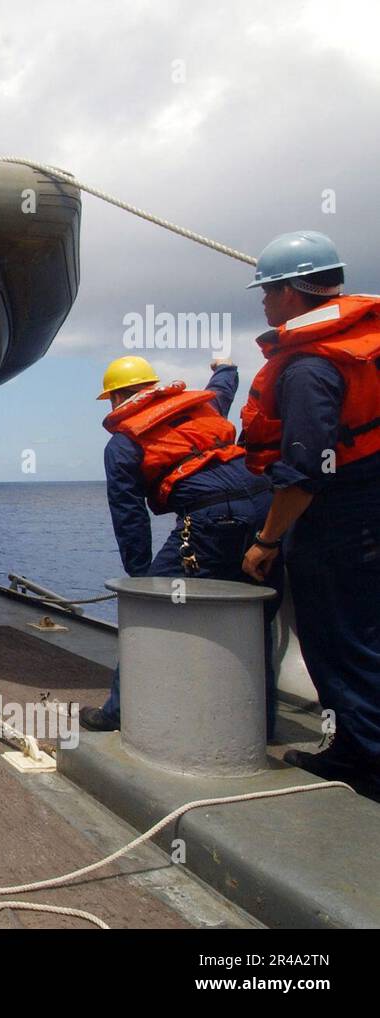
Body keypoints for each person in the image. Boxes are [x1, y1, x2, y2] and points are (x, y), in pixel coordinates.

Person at [238, 231, 380, 787]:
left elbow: (306, 471)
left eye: (268, 292)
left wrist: (267, 540)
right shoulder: (363, 347)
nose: (265, 304)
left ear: (292, 293)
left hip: (342, 517)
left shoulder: (307, 369)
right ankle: (354, 750)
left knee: (341, 640)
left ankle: (366, 768)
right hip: (369, 501)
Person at [81, 355, 279, 735]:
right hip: (267, 510)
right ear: (153, 387)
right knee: (257, 621)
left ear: (117, 397)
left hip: (211, 520)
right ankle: (262, 727)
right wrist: (226, 365)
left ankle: (120, 713)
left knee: (149, 613)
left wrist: (141, 579)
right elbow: (224, 387)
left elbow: (129, 515)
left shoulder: (123, 444)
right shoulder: (202, 405)